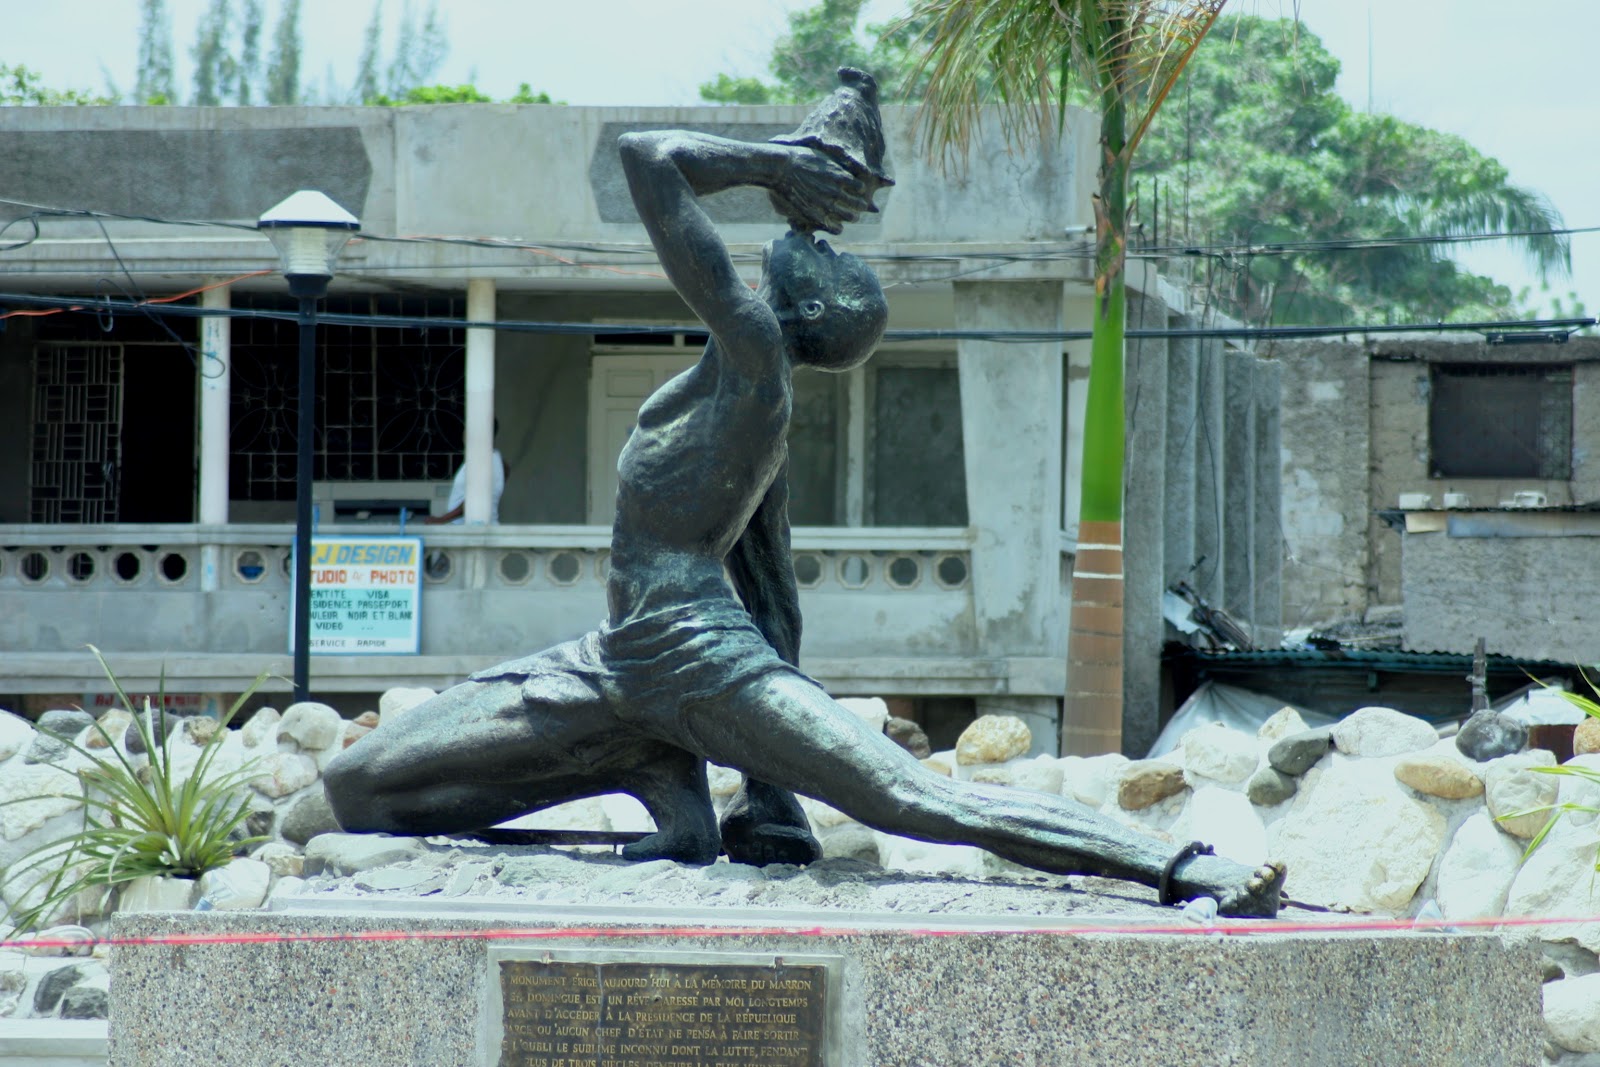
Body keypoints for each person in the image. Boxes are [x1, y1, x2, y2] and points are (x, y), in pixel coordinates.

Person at [324, 69, 1285, 917]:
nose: (809, 239)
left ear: (807, 310)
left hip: (699, 666)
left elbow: (647, 158)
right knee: (356, 789)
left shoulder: (754, 357)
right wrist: (772, 801)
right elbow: (778, 596)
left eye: (828, 260)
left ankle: (1180, 865)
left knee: (915, 798)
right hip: (622, 663)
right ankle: (664, 777)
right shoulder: (741, 398)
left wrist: (776, 164)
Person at [425, 419, 505, 524]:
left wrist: (441, 520)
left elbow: (472, 501)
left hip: (474, 530)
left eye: (467, 429)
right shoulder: (491, 458)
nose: (464, 433)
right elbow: (506, 468)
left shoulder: (485, 461)